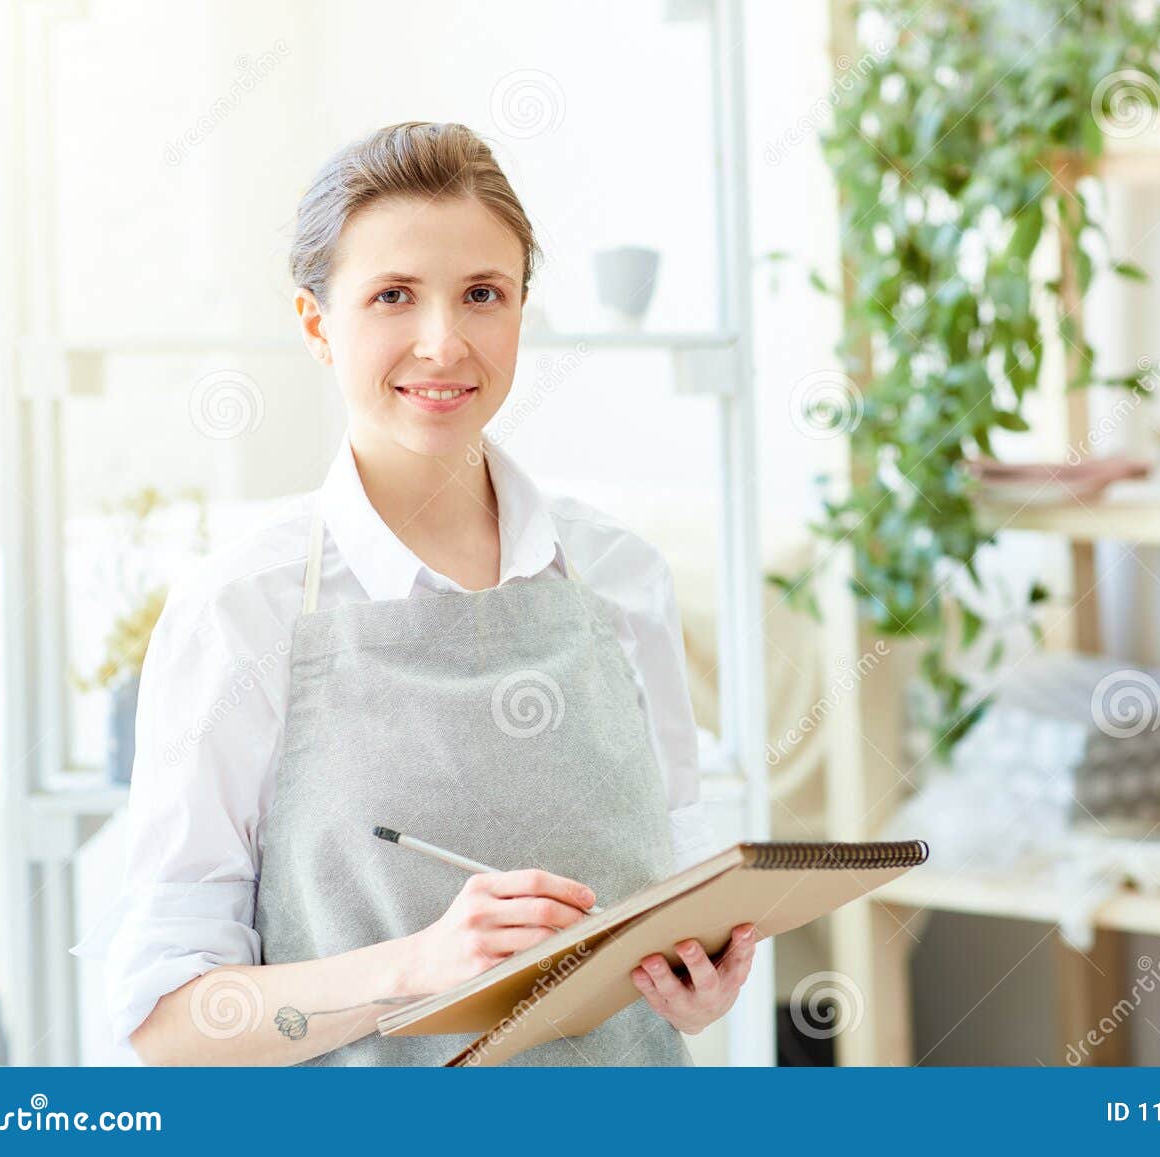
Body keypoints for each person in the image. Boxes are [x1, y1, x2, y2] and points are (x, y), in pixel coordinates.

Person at [72, 120, 755, 1065]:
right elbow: (171, 1025)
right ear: (316, 323)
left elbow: (672, 891)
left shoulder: (621, 576)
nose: (444, 343)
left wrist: (693, 982)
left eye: (483, 294)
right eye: (393, 296)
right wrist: (417, 966)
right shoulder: (241, 613)